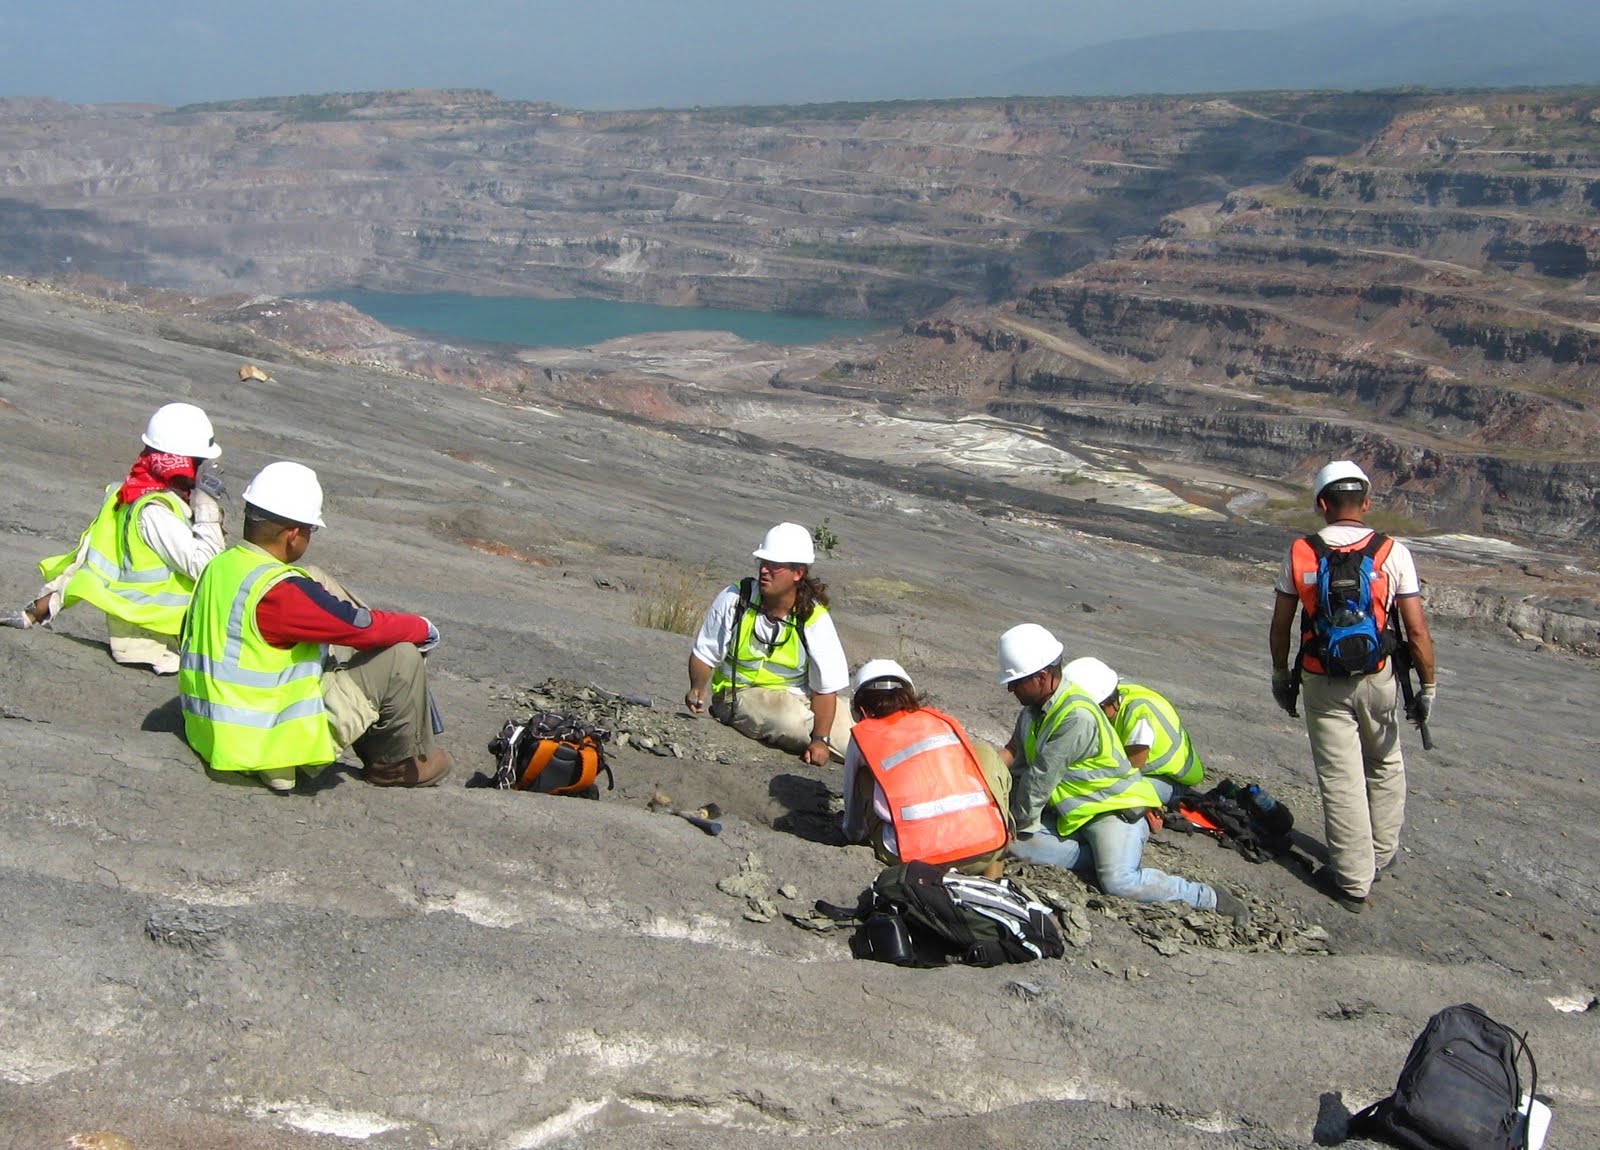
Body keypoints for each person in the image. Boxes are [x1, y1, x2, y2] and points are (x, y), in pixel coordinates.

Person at [179, 461, 452, 793]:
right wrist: (423, 628)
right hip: (266, 747)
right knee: (402, 657)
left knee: (317, 580)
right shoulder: (281, 594)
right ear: (293, 535)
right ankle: (391, 765)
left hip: (212, 731)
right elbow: (363, 628)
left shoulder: (221, 566)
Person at [996, 623, 1249, 923]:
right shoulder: (1032, 713)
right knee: (1007, 843)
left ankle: (1207, 897)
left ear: (1041, 677)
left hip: (1114, 812)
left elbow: (1040, 780)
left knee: (1119, 882)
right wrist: (975, 772)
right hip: (1075, 814)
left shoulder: (1075, 715)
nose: (1010, 689)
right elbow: (1013, 752)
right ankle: (1099, 856)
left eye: (1015, 682)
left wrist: (1016, 823)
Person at [1269, 460, 1435, 912]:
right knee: (1385, 762)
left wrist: (1281, 675)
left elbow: (1282, 624)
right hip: (1379, 676)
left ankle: (1353, 879)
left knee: (1341, 778)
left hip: (1322, 680)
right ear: (1366, 503)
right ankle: (1380, 853)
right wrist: (1428, 687)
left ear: (1322, 505)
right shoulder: (1392, 551)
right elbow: (1417, 630)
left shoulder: (1301, 551)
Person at [2, 402, 227, 674]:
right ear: (182, 462)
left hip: (145, 637)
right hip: (160, 645)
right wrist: (206, 505)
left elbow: (83, 565)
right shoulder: (155, 511)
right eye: (200, 463)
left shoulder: (128, 494)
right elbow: (209, 569)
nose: (204, 471)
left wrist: (33, 613)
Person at [684, 522, 851, 766]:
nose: (764, 570)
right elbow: (704, 654)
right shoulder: (735, 599)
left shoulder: (814, 617)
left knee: (855, 743)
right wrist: (697, 686)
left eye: (775, 565)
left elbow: (825, 688)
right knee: (791, 724)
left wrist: (821, 739)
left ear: (798, 573)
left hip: (801, 698)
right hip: (739, 693)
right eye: (763, 562)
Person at [841, 659, 1012, 877]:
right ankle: (995, 867)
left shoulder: (864, 737)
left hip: (914, 859)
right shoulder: (938, 722)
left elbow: (851, 803)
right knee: (984, 753)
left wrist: (852, 834)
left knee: (864, 775)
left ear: (861, 708)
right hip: (981, 852)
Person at [1063, 656, 1204, 805]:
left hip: (1170, 780)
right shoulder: (1109, 689)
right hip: (1145, 772)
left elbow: (1131, 772)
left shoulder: (1139, 714)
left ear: (1102, 706)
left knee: (1112, 795)